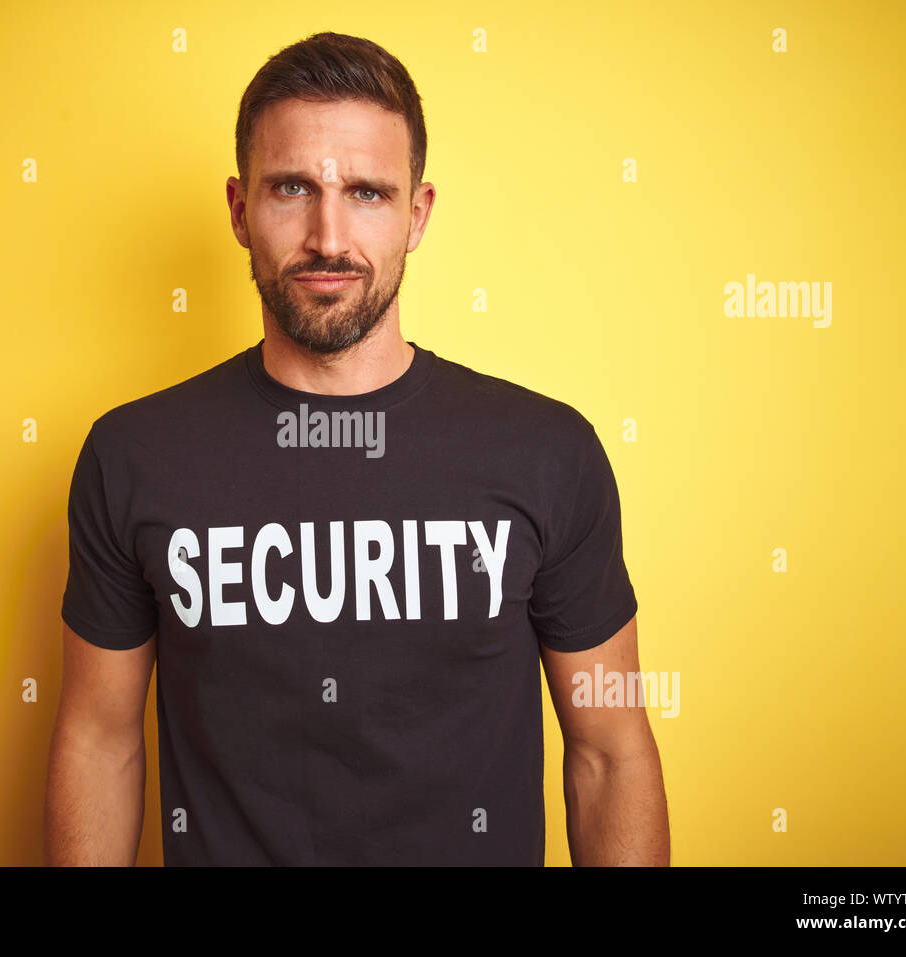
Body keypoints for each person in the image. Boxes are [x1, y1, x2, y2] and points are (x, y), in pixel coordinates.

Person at [44, 31, 669, 866]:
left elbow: (611, 748)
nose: (328, 236)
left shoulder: (549, 452)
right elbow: (99, 739)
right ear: (239, 209)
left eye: (368, 192)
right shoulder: (133, 456)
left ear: (417, 215)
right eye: (292, 187)